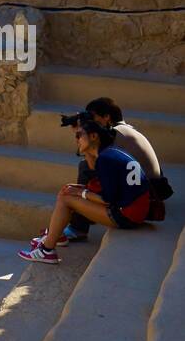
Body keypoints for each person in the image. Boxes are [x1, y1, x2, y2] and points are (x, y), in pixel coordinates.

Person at [19, 118, 151, 263]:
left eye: (79, 135)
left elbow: (108, 199)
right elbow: (111, 190)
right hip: (136, 210)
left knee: (66, 199)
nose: (76, 140)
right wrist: (82, 189)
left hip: (128, 216)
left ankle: (46, 250)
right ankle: (56, 235)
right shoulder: (111, 152)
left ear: (94, 136)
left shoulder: (105, 159)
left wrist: (82, 193)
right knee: (68, 191)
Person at [66, 97, 166, 240]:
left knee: (85, 168)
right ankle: (86, 216)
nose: (90, 123)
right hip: (150, 187)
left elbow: (97, 162)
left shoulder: (116, 133)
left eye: (92, 118)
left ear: (107, 117)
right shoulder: (126, 129)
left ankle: (78, 227)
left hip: (148, 195)